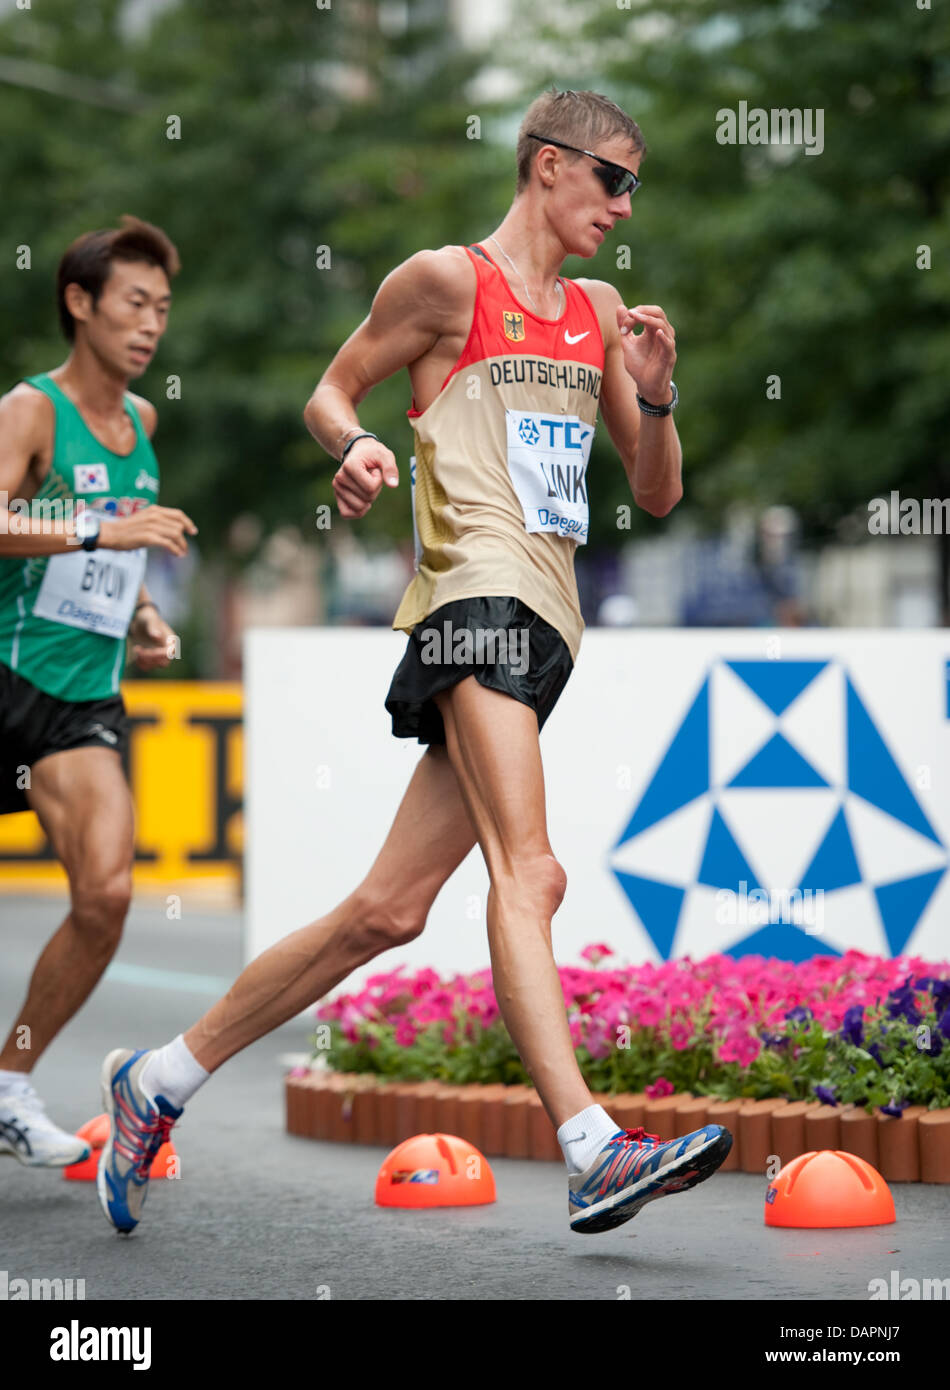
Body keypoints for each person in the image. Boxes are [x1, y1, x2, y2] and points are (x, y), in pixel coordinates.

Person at [96, 89, 732, 1237]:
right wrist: (361, 447)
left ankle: (158, 1081)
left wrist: (655, 389)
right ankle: (589, 1145)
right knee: (529, 871)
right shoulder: (444, 281)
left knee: (384, 912)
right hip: (471, 599)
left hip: (548, 624)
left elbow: (654, 491)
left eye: (633, 184)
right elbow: (329, 393)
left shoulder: (595, 311)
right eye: (613, 178)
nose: (625, 205)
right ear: (547, 166)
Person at [0, 217, 196, 1167]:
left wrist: (144, 617)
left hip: (80, 702)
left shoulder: (144, 424)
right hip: (3, 674)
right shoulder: (31, 411)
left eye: (161, 307)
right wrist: (94, 533)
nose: (150, 324)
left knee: (108, 895)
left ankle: (7, 1085)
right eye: (133, 303)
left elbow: (121, 558)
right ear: (79, 303)